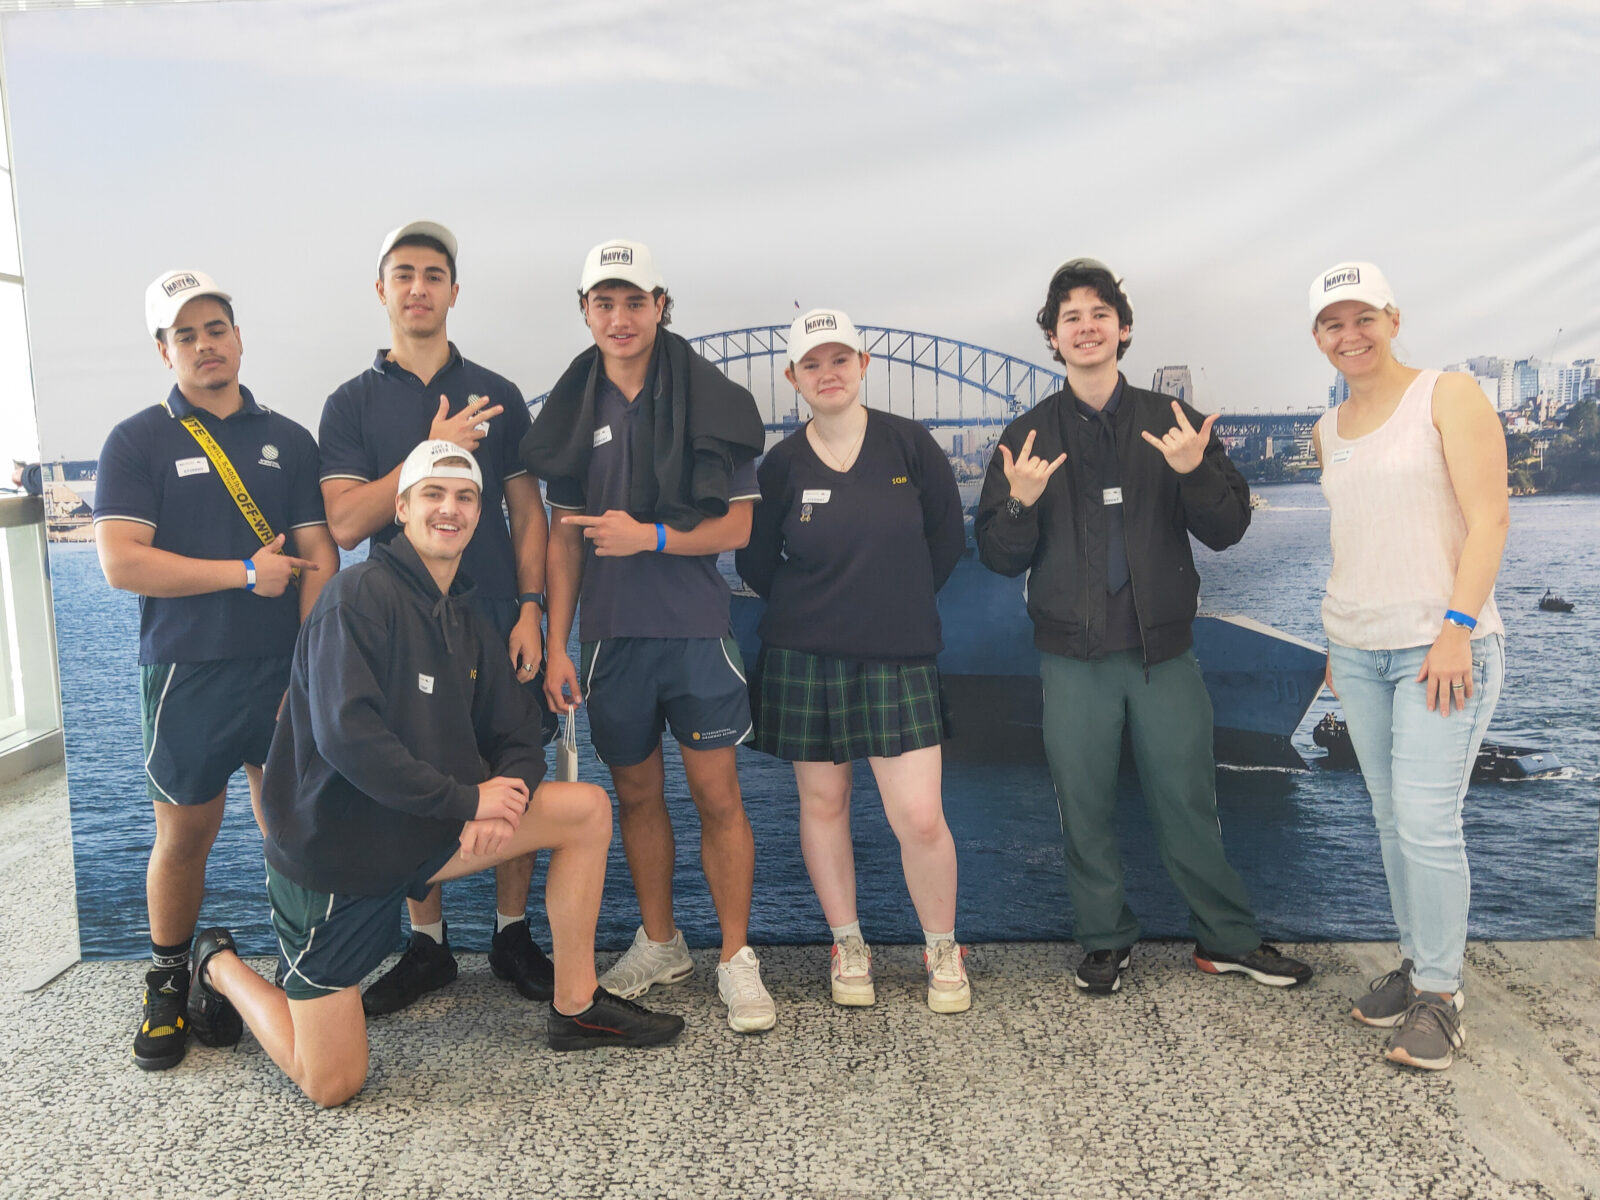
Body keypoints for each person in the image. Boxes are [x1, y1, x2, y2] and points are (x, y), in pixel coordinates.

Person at [186, 441, 684, 1107]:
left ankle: (576, 1005)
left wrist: (503, 801)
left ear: (478, 516)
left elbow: (518, 732)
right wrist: (465, 802)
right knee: (332, 1083)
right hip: (337, 860)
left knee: (586, 810)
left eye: (466, 497)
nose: (451, 508)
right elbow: (348, 739)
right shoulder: (355, 597)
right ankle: (218, 964)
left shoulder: (465, 613)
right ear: (401, 508)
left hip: (424, 831)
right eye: (434, 494)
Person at [974, 257, 1313, 996]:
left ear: (1123, 329)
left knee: (1189, 801)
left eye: (1100, 314)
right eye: (1070, 317)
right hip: (1073, 658)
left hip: (1165, 652)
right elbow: (998, 556)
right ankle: (1104, 940)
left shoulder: (1174, 423)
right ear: (1052, 338)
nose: (1086, 327)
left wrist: (1194, 471)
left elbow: (1227, 529)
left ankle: (1225, 940)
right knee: (1084, 807)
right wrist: (1020, 502)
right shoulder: (1026, 436)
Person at [520, 239, 773, 1032]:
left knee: (717, 796)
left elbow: (737, 526)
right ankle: (662, 943)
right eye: (605, 303)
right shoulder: (573, 411)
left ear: (661, 306)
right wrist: (558, 646)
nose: (620, 317)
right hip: (612, 640)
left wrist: (651, 537)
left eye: (635, 301)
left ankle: (736, 957)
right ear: (584, 312)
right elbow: (564, 543)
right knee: (635, 796)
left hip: (695, 632)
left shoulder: (712, 400)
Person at [94, 270, 339, 1071]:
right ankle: (169, 980)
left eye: (216, 328)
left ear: (238, 337)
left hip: (280, 670)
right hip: (186, 673)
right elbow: (122, 562)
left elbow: (318, 554)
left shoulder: (288, 439)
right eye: (185, 334)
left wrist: (309, 664)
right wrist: (242, 574)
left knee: (290, 828)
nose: (204, 345)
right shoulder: (136, 440)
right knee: (185, 836)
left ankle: (299, 974)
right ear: (163, 350)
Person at [318, 221, 558, 1016]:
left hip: (495, 612)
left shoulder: (498, 392)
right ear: (381, 290)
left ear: (454, 290)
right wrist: (429, 448)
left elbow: (527, 513)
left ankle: (513, 932)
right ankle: (428, 943)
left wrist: (532, 609)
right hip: (402, 622)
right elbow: (346, 524)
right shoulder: (350, 403)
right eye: (403, 274)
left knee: (515, 754)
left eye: (432, 274)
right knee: (418, 762)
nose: (418, 288)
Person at [735, 308, 970, 1012]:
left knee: (920, 816)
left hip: (899, 654)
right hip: (805, 655)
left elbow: (945, 543)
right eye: (812, 363)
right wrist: (819, 608)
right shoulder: (780, 466)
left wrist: (891, 602)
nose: (828, 373)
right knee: (823, 804)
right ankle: (848, 945)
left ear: (864, 364)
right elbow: (755, 563)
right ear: (793, 378)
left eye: (840, 359)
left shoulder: (910, 444)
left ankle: (942, 947)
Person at [1309, 262, 1507, 1071]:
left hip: (1441, 648)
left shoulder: (1448, 395)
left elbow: (1490, 518)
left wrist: (1457, 627)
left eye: (1364, 318)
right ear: (1318, 337)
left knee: (1428, 823)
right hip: (1358, 651)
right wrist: (1337, 643)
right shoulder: (1327, 429)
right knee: (1393, 822)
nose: (1350, 335)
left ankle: (1442, 998)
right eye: (1333, 324)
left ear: (1393, 319)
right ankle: (1419, 964)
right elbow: (1356, 539)